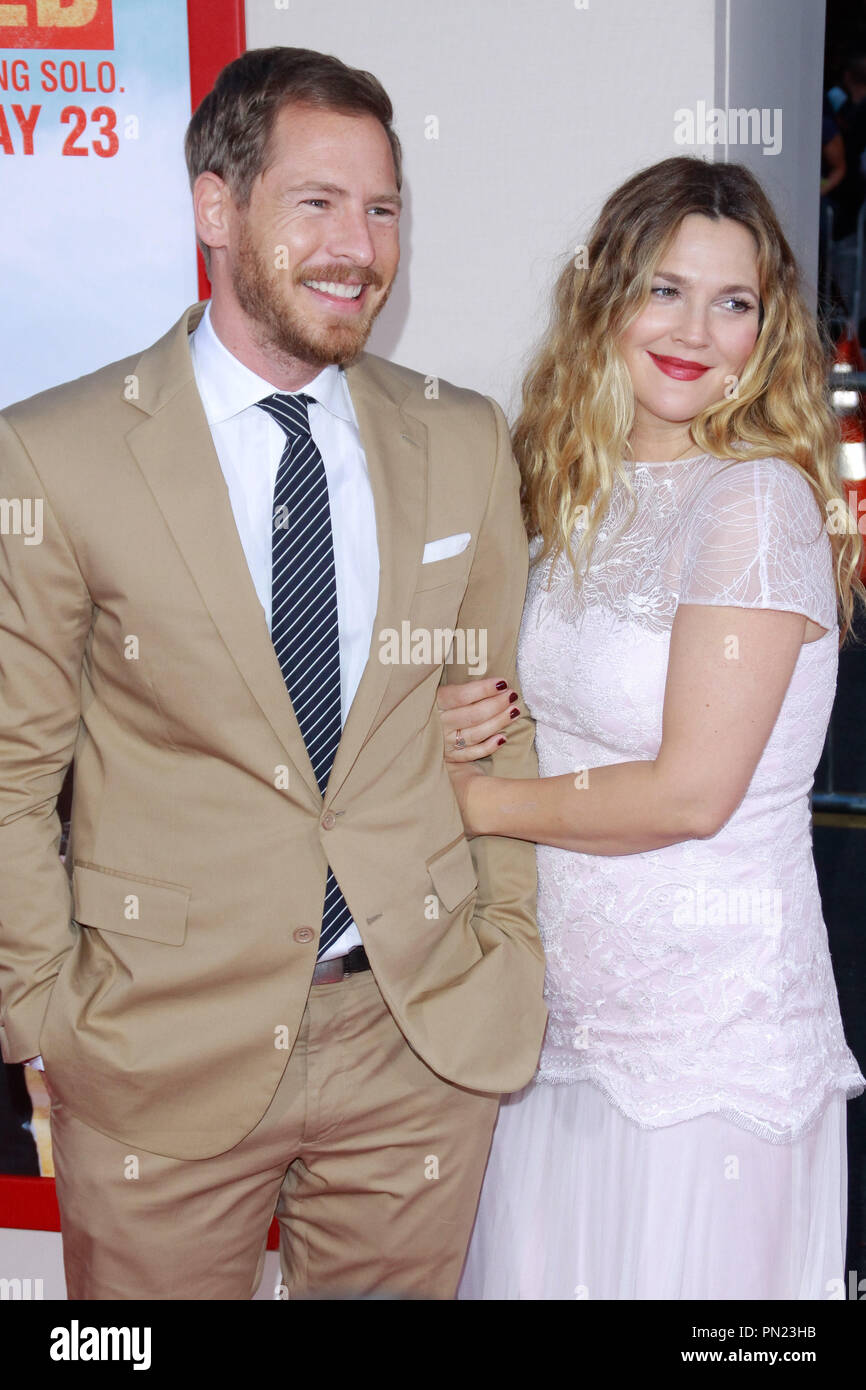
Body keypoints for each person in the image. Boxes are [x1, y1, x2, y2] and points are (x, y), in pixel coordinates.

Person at [0, 46, 546, 1300]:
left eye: (382, 208)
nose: (359, 245)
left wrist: (503, 941)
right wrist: (45, 1023)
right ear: (214, 208)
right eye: (317, 203)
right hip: (156, 1048)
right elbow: (12, 770)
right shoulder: (55, 453)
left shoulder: (459, 439)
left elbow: (496, 721)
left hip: (414, 1042)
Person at [437, 156, 866, 1300]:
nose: (694, 331)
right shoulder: (567, 486)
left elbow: (688, 792)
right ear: (605, 297)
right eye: (664, 290)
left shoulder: (756, 502)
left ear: (767, 330)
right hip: (557, 1026)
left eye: (733, 303)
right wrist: (464, 715)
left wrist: (472, 801)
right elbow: (558, 708)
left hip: (703, 1049)